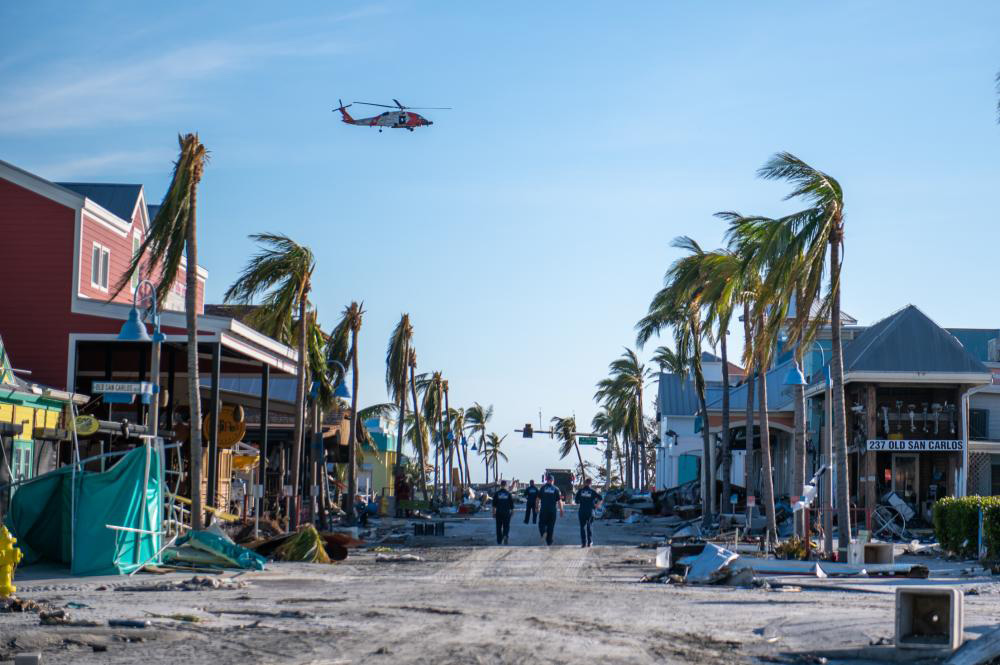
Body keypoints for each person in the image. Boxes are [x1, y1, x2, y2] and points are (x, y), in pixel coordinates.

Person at [536, 474, 564, 546]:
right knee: (551, 526)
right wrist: (561, 510)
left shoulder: (542, 488)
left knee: (541, 523)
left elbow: (537, 499)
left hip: (544, 509)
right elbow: (559, 501)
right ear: (553, 481)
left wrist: (537, 507)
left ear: (547, 480)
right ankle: (549, 542)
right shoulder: (556, 489)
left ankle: (543, 532)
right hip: (552, 510)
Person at [574, 478, 602, 547]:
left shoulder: (580, 491)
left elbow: (576, 501)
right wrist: (597, 505)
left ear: (585, 483)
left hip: (582, 511)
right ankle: (589, 542)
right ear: (590, 483)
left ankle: (583, 543)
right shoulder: (592, 491)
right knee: (589, 526)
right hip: (590, 511)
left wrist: (582, 500)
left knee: (582, 527)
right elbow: (600, 498)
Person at [492, 480, 515, 545]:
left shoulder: (497, 494)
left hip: (498, 512)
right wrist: (512, 512)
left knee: (498, 527)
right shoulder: (508, 494)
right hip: (506, 513)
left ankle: (499, 540)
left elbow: (494, 505)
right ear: (505, 485)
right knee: (506, 526)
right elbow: (511, 504)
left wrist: (493, 513)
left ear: (500, 485)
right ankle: (505, 535)